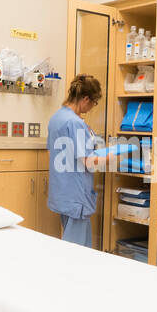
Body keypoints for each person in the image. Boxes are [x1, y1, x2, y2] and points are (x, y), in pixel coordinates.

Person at [46, 75, 104, 247]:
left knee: (72, 245)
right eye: (94, 103)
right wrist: (110, 157)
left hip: (63, 193)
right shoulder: (76, 123)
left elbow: (51, 154)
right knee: (77, 252)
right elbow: (88, 162)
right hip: (76, 196)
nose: (92, 107)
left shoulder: (57, 117)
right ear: (86, 99)